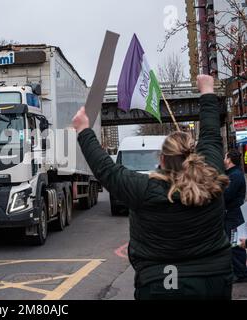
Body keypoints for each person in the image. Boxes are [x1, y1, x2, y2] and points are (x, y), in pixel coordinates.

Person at [72, 75, 232, 300]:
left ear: (163, 160)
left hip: (159, 283)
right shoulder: (213, 178)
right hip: (213, 280)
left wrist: (84, 131)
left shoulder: (145, 191)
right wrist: (207, 91)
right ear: (194, 156)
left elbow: (106, 170)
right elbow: (211, 136)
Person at [224, 149, 247, 282]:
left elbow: (227, 195)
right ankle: (239, 271)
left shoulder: (235, 176)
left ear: (229, 160)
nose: (223, 160)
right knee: (233, 244)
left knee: (236, 244)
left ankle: (241, 274)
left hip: (235, 217)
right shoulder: (233, 174)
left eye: (225, 157)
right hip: (233, 216)